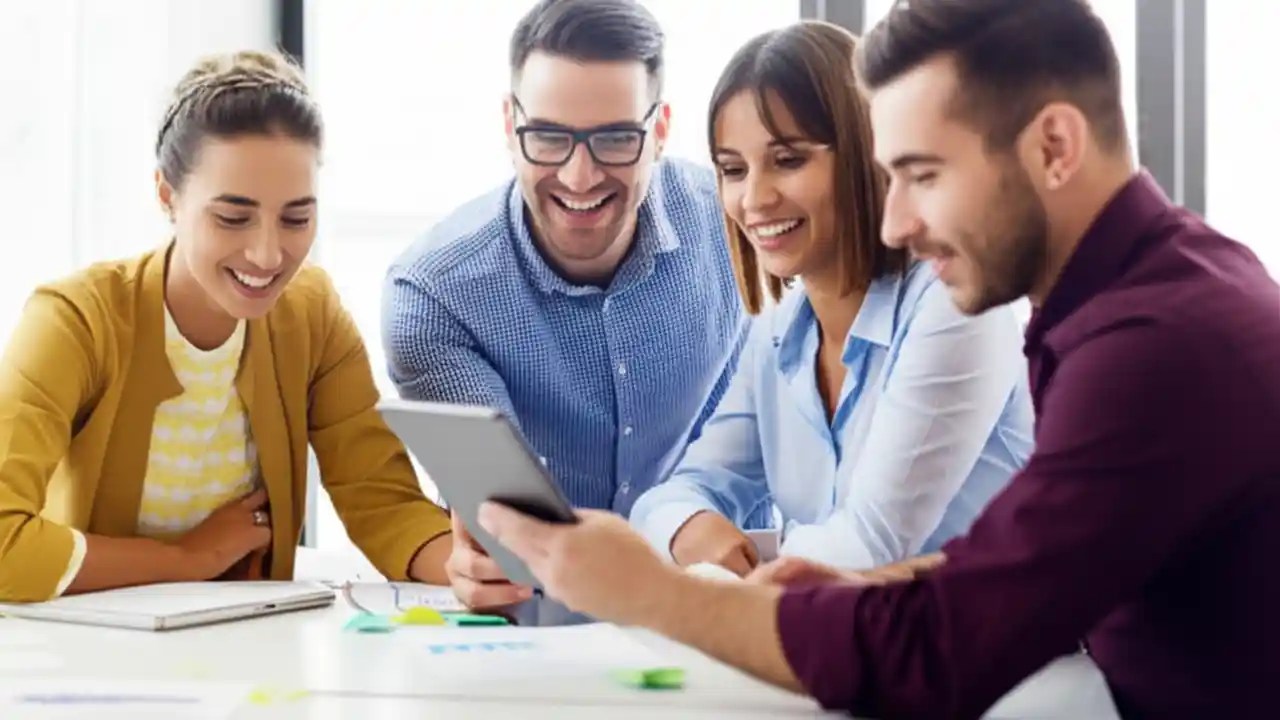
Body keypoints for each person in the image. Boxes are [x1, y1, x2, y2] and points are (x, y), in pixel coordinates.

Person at [473, 2, 1280, 717]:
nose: (893, 222)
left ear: (1055, 146)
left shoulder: (1150, 350)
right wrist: (879, 582)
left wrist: (653, 594)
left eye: (922, 175)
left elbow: (943, 653)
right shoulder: (1141, 299)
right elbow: (1041, 563)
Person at [0, 51, 454, 603]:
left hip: (249, 655)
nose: (267, 254)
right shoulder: (75, 321)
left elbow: (383, 501)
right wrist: (186, 559)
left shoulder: (312, 315)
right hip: (83, 660)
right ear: (168, 196)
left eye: (296, 218)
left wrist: (479, 569)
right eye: (232, 217)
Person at [629, 22, 1032, 576]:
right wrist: (689, 525)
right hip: (841, 650)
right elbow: (667, 499)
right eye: (733, 170)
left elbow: (873, 540)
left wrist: (732, 588)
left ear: (868, 153)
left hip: (999, 659)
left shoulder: (953, 305)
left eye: (789, 160)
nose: (754, 199)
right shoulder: (776, 334)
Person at [383, 0, 744, 608]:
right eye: (548, 137)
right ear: (509, 123)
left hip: (734, 601)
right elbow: (510, 528)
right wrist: (478, 564)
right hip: (549, 620)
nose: (580, 177)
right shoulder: (434, 296)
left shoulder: (738, 221)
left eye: (615, 139)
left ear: (658, 130)